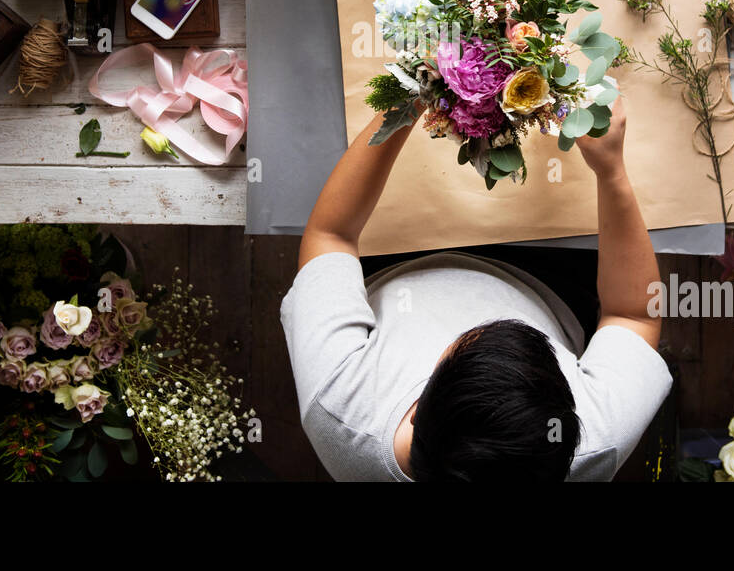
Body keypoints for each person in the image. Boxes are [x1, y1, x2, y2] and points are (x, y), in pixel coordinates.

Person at [279, 99, 672, 481]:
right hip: (555, 276)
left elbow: (331, 237)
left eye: (461, 343)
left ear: (416, 413)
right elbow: (631, 315)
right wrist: (611, 171)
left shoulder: (339, 406)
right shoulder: (591, 442)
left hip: (391, 254)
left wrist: (406, 101)